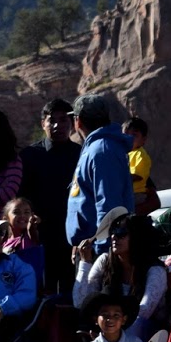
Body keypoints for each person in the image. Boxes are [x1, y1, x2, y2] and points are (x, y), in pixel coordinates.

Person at [72, 210, 170, 339]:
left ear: (137, 237)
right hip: (107, 329)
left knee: (137, 324)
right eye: (112, 232)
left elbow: (144, 312)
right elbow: (80, 302)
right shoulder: (105, 261)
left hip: (146, 336)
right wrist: (85, 262)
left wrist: (109, 334)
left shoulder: (155, 271)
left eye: (121, 233)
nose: (113, 237)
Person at [20, 98, 79, 295]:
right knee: (43, 293)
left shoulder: (82, 155)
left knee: (72, 295)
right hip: (40, 238)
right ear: (42, 124)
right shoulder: (29, 155)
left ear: (72, 123)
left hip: (73, 238)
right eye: (51, 120)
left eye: (63, 120)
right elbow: (21, 196)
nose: (57, 126)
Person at [66, 95, 134, 251]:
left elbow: (109, 207)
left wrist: (104, 252)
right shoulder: (96, 147)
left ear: (78, 121)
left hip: (100, 252)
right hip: (88, 249)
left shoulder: (102, 151)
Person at [2, 197, 45, 287]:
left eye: (26, 212)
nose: (22, 216)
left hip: (28, 288)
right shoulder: (3, 242)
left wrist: (32, 226)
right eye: (16, 212)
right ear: (6, 218)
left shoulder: (30, 237)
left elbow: (33, 233)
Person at [125, 117, 161, 215]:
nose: (129, 138)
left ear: (143, 140)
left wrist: (118, 178)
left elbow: (137, 175)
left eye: (134, 135)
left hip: (136, 195)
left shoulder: (140, 155)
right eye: (125, 134)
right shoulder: (122, 154)